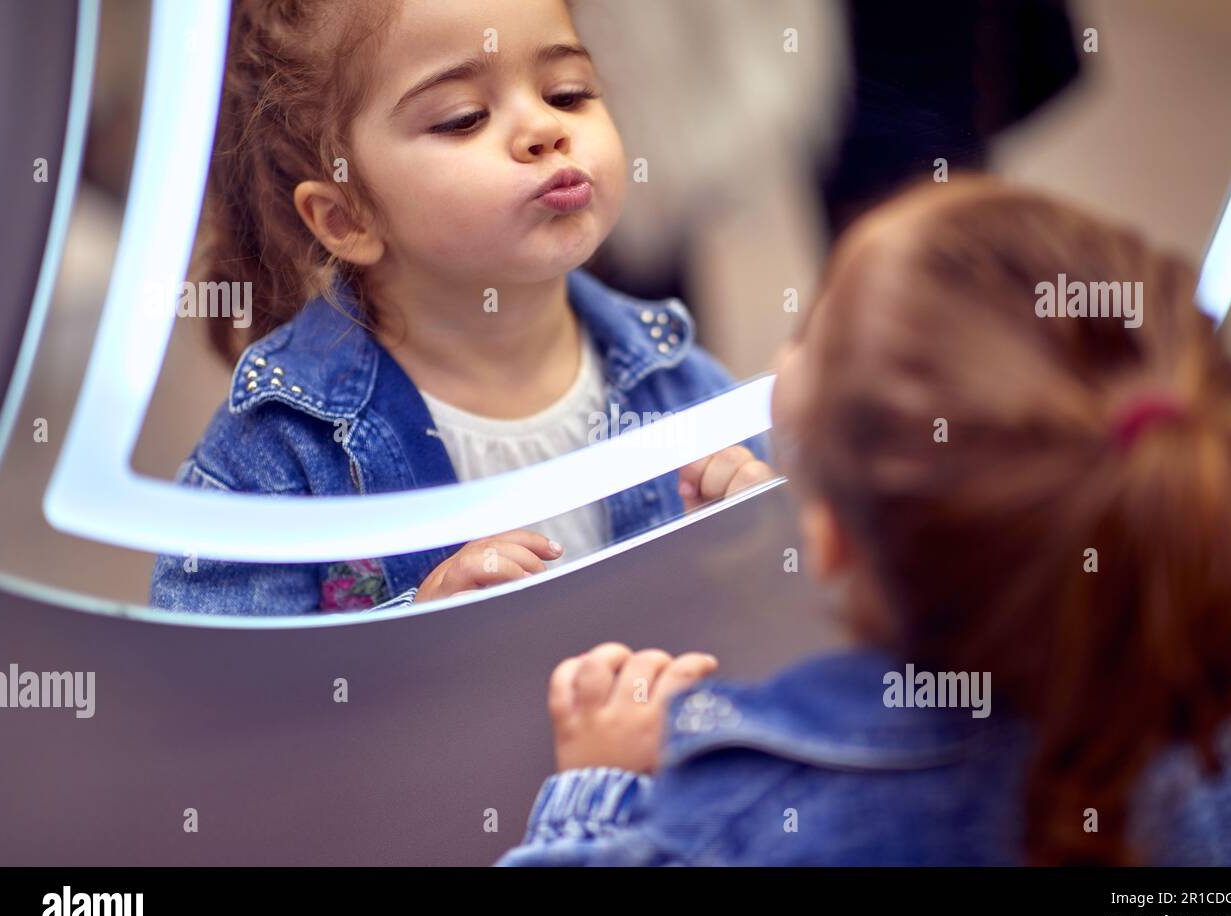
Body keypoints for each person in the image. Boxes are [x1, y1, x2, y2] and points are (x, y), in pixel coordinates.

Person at [498, 177, 1231, 865]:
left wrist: (598, 791)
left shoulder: (730, 812)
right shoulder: (1189, 726)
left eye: (810, 326)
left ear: (831, 540)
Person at [149, 0, 770, 616]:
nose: (545, 130)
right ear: (346, 217)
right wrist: (422, 635)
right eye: (464, 117)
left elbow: (788, 632)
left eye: (568, 93)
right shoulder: (277, 463)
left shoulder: (680, 384)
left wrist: (754, 554)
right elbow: (223, 700)